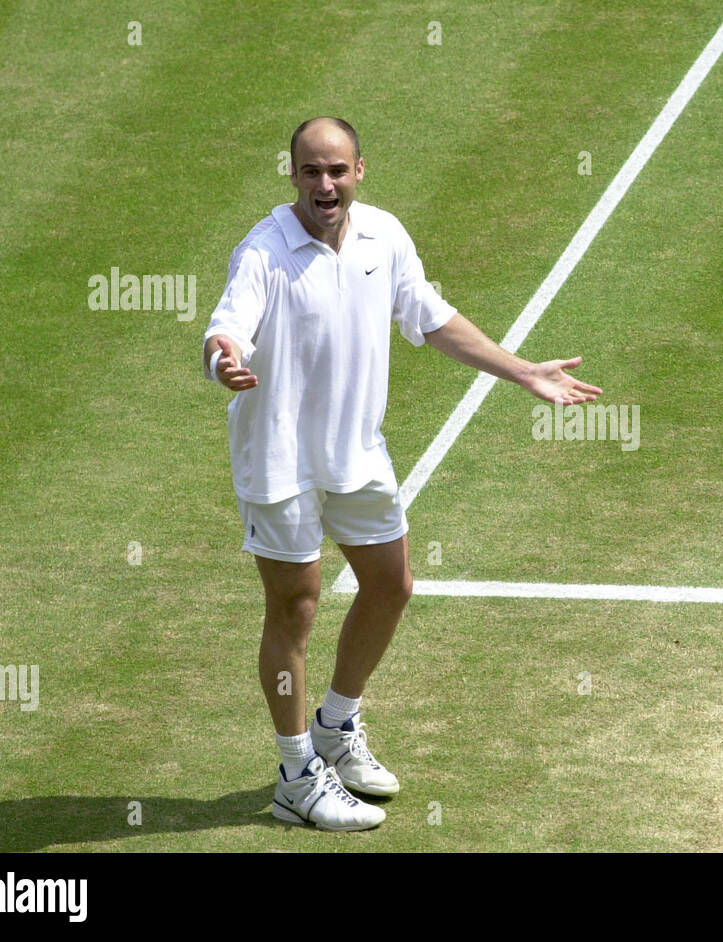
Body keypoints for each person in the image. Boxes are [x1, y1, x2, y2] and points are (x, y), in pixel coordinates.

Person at [202, 116, 601, 831]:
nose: (324, 184)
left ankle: (336, 726)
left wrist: (520, 371)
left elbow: (432, 317)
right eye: (310, 171)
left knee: (391, 584)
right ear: (291, 175)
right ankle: (296, 774)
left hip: (356, 454)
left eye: (337, 170)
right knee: (295, 608)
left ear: (360, 170)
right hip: (281, 462)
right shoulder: (262, 251)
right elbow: (227, 325)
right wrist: (224, 359)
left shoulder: (385, 237)